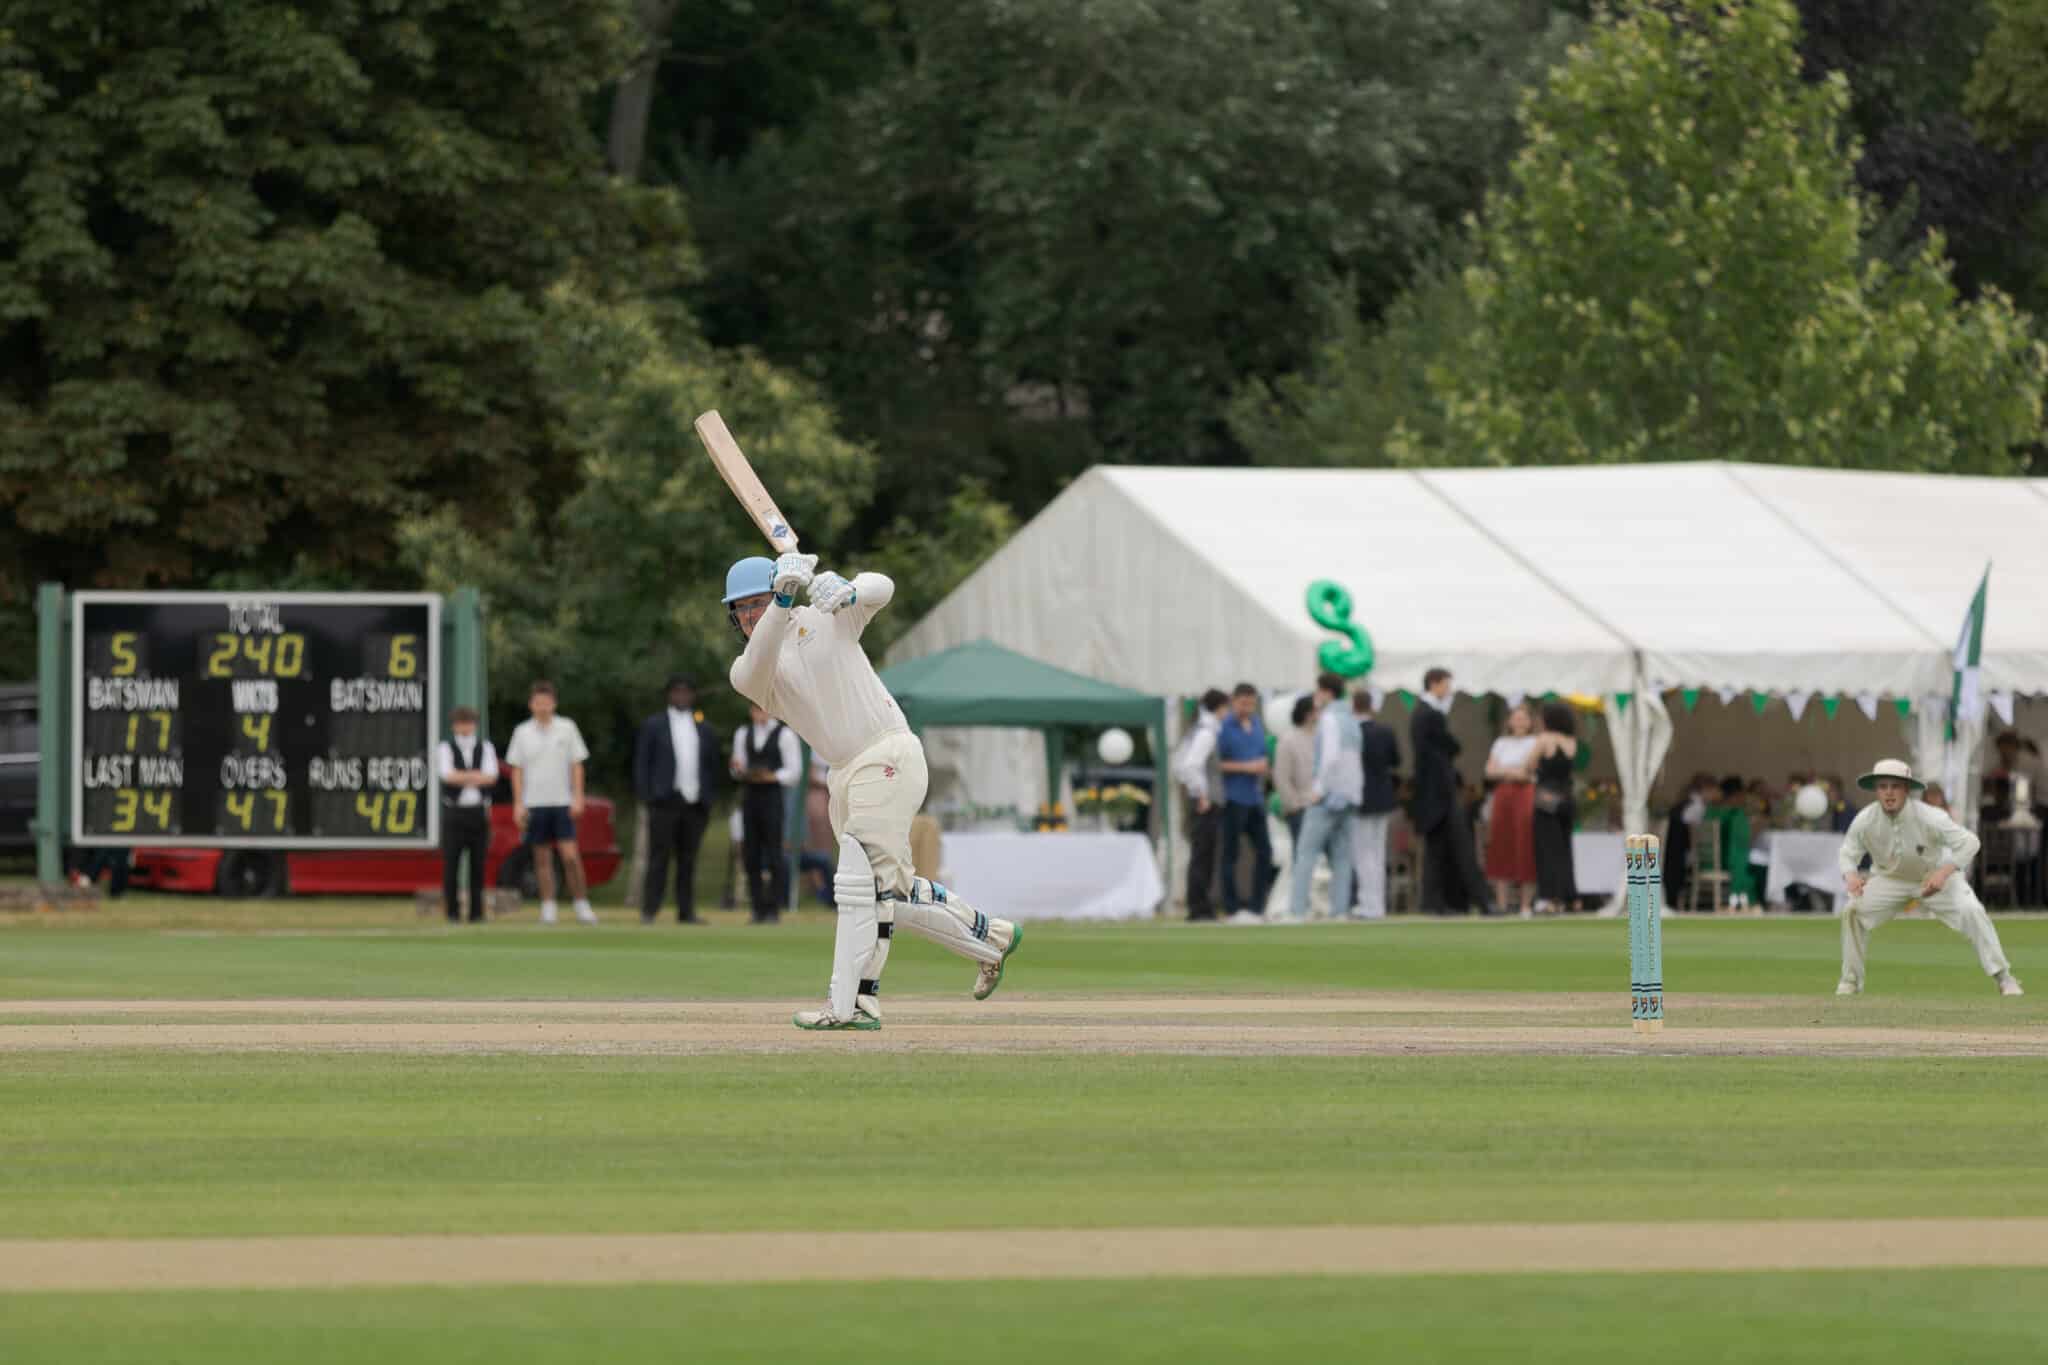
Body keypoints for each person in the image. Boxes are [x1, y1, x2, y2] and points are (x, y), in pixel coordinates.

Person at [725, 551, 1022, 1031]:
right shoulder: (748, 671)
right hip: (843, 773)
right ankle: (992, 937)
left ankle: (852, 1003)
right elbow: (761, 657)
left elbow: (884, 587)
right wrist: (779, 600)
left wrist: (850, 589)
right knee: (891, 892)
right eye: (741, 609)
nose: (749, 615)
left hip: (886, 752)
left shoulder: (825, 618)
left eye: (755, 602)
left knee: (859, 884)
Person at [1836, 759, 2022, 997]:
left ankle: (2004, 978)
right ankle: (1850, 982)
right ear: (1876, 791)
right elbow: (1848, 852)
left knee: (1971, 910)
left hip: (1932, 876)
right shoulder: (1865, 819)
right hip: (1890, 880)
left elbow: (1970, 842)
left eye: (1895, 786)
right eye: (1883, 787)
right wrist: (1851, 876)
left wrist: (1943, 873)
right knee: (1853, 910)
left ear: (1906, 790)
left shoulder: (1930, 816)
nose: (1889, 793)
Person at [503, 680, 596, 925]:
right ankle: (548, 907)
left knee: (570, 856)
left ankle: (581, 904)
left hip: (562, 802)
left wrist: (578, 796)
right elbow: (517, 769)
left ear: (554, 704)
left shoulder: (567, 728)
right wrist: (518, 803)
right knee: (542, 859)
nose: (542, 707)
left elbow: (576, 765)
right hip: (535, 803)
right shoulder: (522, 732)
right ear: (531, 705)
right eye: (538, 702)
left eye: (546, 702)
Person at [632, 675, 723, 924]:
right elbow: (642, 763)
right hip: (664, 800)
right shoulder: (654, 725)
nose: (681, 696)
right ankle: (650, 909)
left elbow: (712, 765)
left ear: (692, 696)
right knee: (658, 857)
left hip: (695, 803)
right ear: (669, 695)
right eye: (677, 691)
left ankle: (686, 911)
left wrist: (708, 797)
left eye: (686, 692)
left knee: (688, 859)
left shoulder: (704, 727)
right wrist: (647, 795)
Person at [1410, 667, 1496, 915]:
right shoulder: (1430, 715)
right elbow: (1449, 747)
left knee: (1436, 850)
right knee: (1461, 846)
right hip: (1440, 794)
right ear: (1434, 683)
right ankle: (1482, 901)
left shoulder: (1421, 713)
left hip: (1433, 794)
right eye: (1446, 684)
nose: (1448, 690)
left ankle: (1433, 903)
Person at [1288, 673, 1360, 922]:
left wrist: (1318, 791)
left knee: (1306, 852)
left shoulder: (1329, 719)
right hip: (1350, 795)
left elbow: (1329, 758)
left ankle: (1297, 909)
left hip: (1328, 796)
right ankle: (1340, 910)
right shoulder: (1351, 719)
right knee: (1342, 857)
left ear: (1327, 692)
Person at [731, 702, 801, 923]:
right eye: (755, 709)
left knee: (774, 852)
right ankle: (757, 907)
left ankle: (773, 908)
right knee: (751, 853)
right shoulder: (743, 733)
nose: (759, 713)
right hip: (750, 796)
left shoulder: (785, 734)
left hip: (772, 797)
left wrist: (772, 776)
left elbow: (794, 772)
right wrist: (738, 770)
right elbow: (738, 767)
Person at [1216, 682, 1275, 920]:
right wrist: (1245, 767)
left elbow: (1263, 755)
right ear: (1234, 701)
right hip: (1233, 797)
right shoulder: (1223, 728)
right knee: (1230, 854)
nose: (1247, 708)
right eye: (1243, 704)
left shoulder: (1257, 724)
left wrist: (1263, 766)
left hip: (1255, 798)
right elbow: (1216, 764)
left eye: (1251, 704)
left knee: (1265, 852)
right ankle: (1231, 908)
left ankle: (1257, 906)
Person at [436, 705, 498, 923]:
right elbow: (447, 775)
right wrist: (475, 776)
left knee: (478, 865)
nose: (465, 727)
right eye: (461, 723)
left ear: (475, 725)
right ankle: (452, 912)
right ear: (454, 726)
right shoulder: (445, 748)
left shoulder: (485, 747)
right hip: (455, 812)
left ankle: (476, 913)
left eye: (469, 723)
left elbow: (491, 777)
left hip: (477, 812)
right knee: (451, 864)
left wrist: (462, 776)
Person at [1173, 689, 1229, 921]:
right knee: (1202, 854)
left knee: (1203, 853)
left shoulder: (1200, 729)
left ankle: (1200, 905)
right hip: (1206, 800)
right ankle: (1199, 906)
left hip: (1204, 797)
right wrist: (1201, 794)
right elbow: (1191, 765)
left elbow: (1181, 764)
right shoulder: (1206, 732)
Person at [1483, 703, 1540, 915]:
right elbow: (1489, 770)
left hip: (1525, 794)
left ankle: (1525, 904)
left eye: (1523, 718)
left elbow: (1528, 773)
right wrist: (1511, 771)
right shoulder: (1501, 743)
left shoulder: (1535, 742)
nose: (1519, 722)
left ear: (1530, 722)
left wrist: (1504, 770)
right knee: (1501, 844)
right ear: (1509, 721)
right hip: (1503, 795)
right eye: (1516, 718)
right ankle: (1502, 904)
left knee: (1525, 843)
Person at [1350, 690, 1400, 919]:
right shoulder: (1386, 731)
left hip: (1361, 797)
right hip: (1383, 796)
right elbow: (1396, 760)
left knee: (1363, 853)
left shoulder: (1353, 733)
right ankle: (1378, 904)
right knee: (1378, 852)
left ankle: (1368, 903)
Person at [1528, 702, 1579, 914]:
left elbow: (1529, 765)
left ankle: (1549, 897)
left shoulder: (1544, 739)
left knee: (1547, 850)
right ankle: (1570, 897)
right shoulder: (1571, 742)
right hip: (1567, 799)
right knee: (1565, 850)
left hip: (1546, 800)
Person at [1703, 776, 1757, 910]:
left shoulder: (1710, 811)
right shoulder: (1735, 815)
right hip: (1724, 863)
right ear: (1737, 795)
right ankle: (1743, 901)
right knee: (1752, 864)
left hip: (1705, 861)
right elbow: (1741, 845)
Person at [1274, 694, 1319, 851]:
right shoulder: (1288, 740)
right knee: (1302, 854)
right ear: (1308, 713)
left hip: (1322, 806)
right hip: (1300, 808)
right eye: (1318, 710)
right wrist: (1294, 805)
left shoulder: (1321, 737)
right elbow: (1281, 777)